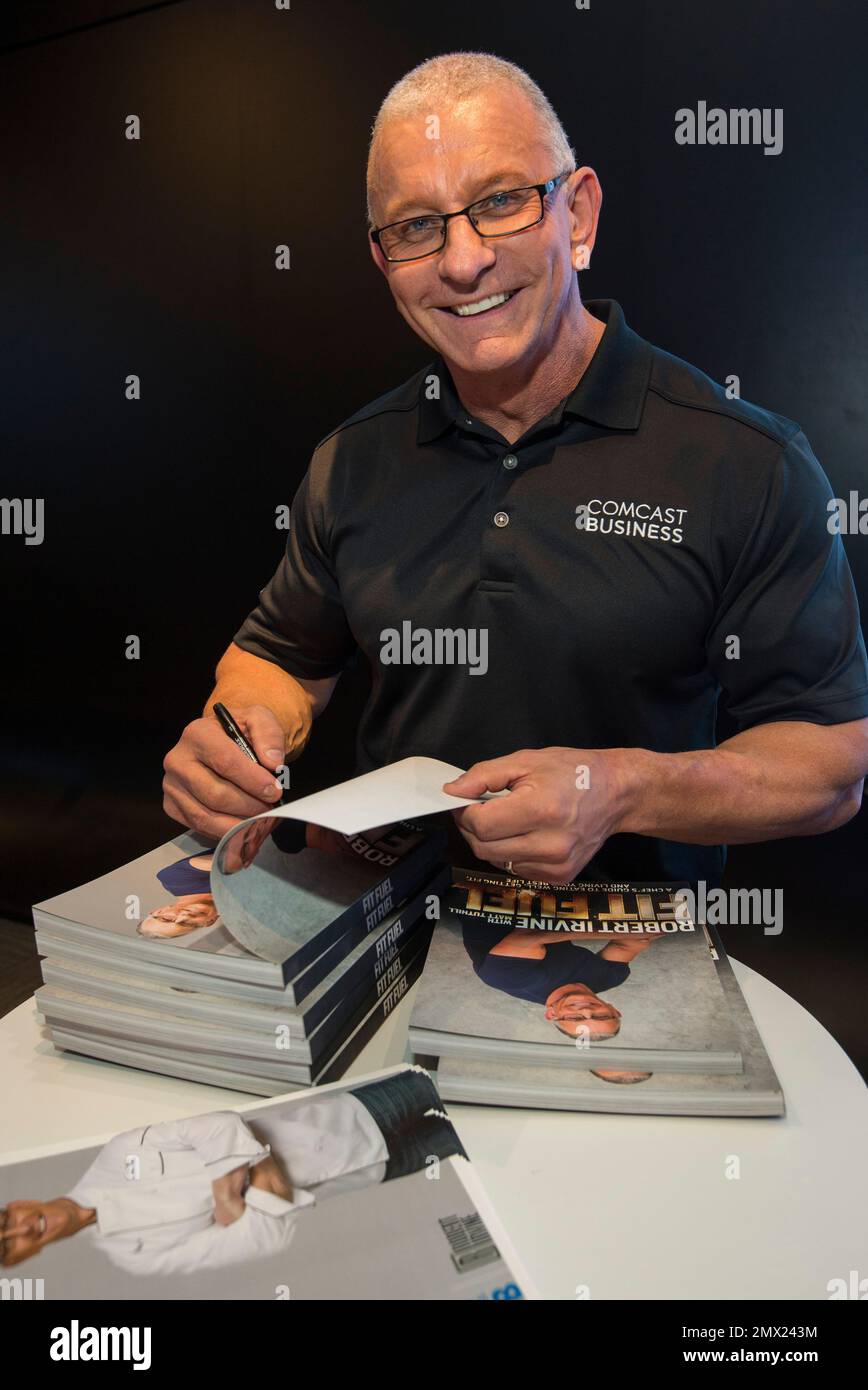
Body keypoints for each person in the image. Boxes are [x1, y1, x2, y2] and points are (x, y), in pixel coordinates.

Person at [162, 52, 868, 889]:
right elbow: (280, 656)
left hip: (622, 969)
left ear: (578, 215)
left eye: (500, 202)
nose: (462, 262)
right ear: (384, 260)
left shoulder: (747, 462)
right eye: (416, 226)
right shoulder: (351, 460)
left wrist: (620, 789)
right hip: (386, 940)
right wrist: (238, 732)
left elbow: (829, 763)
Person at [0, 1068, 465, 1276]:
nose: (21, 1229)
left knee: (462, 1083)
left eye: (6, 1222)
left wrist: (235, 1200)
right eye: (10, 1245)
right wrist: (238, 1173)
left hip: (354, 1115)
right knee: (479, 1139)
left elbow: (221, 1124)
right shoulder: (136, 1257)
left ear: (15, 1205)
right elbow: (265, 1240)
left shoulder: (119, 1154)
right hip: (374, 1171)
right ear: (21, 1259)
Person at [461, 921, 658, 1040]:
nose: (586, 1011)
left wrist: (618, 930)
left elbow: (532, 934)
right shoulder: (610, 978)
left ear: (551, 1014)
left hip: (485, 890)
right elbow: (629, 943)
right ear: (614, 1010)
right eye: (601, 1016)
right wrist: (652, 929)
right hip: (545, 899)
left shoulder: (515, 980)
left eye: (575, 1018)